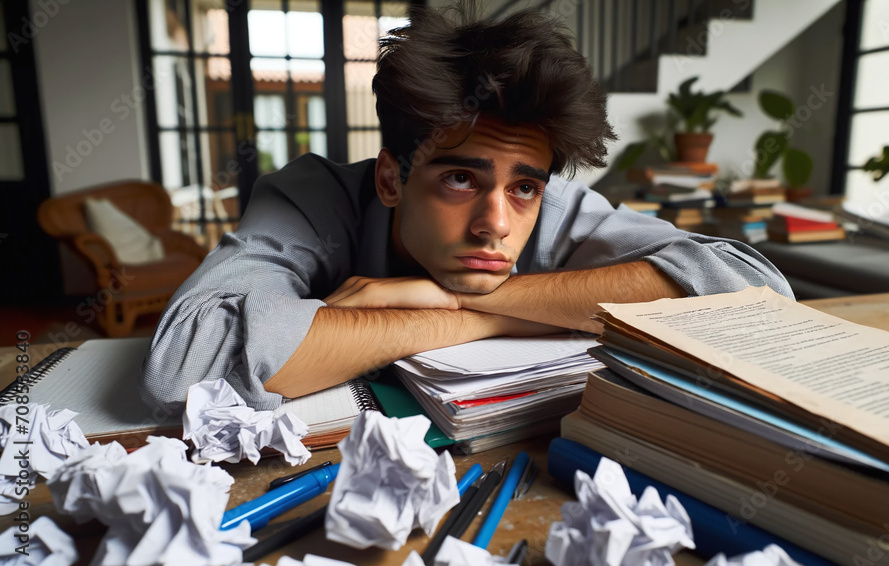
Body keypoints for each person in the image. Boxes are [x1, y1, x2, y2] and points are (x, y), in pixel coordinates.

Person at [139, 7, 792, 414]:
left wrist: (458, 304)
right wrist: (499, 314)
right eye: (459, 178)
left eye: (523, 188)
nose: (497, 223)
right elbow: (186, 366)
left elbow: (753, 290)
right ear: (392, 177)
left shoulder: (554, 205)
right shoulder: (312, 198)